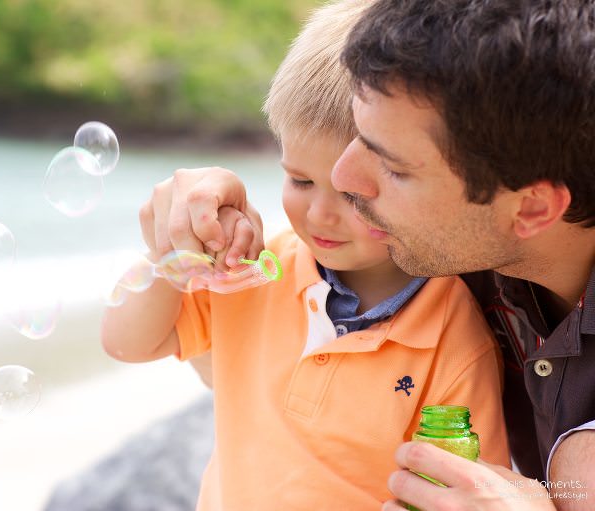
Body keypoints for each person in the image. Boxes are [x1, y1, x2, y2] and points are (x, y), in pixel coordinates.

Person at [146, 1, 595, 509]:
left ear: (531, 207)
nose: (343, 181)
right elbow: (226, 368)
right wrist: (196, 237)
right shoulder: (443, 247)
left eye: (394, 168)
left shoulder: (445, 286)